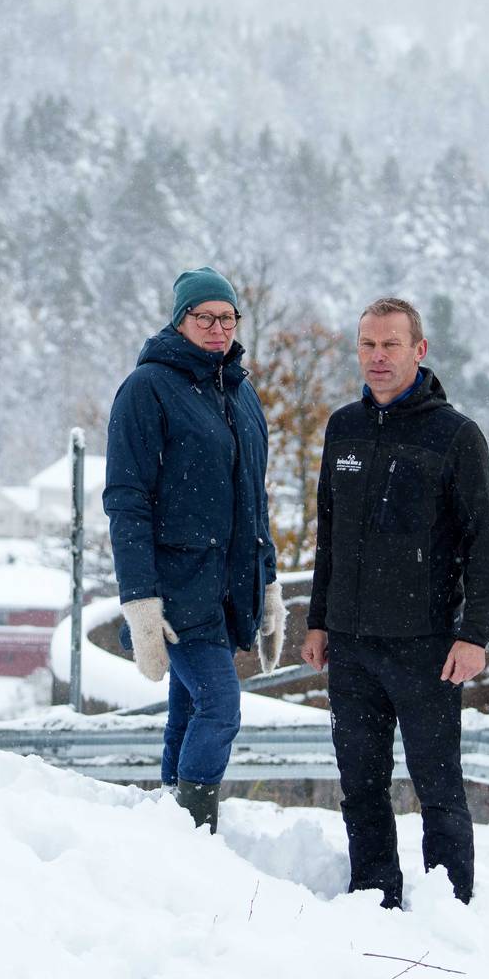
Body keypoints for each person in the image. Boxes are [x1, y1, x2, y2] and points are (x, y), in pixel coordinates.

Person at [301, 296, 489, 906]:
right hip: (352, 644)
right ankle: (374, 899)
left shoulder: (456, 435)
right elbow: (328, 532)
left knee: (437, 785)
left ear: (419, 351)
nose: (378, 357)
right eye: (367, 345)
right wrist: (318, 620)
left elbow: (484, 540)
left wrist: (475, 635)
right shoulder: (344, 428)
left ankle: (451, 909)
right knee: (360, 786)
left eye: (390, 345)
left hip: (428, 646)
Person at [103, 267, 284, 833]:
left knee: (187, 710)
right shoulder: (146, 388)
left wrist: (269, 584)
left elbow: (255, 500)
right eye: (203, 317)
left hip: (227, 589)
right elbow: (126, 500)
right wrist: (140, 601)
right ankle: (195, 826)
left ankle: (168, 828)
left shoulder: (242, 393)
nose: (217, 328)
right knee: (219, 708)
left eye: (227, 317)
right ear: (179, 320)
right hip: (177, 589)